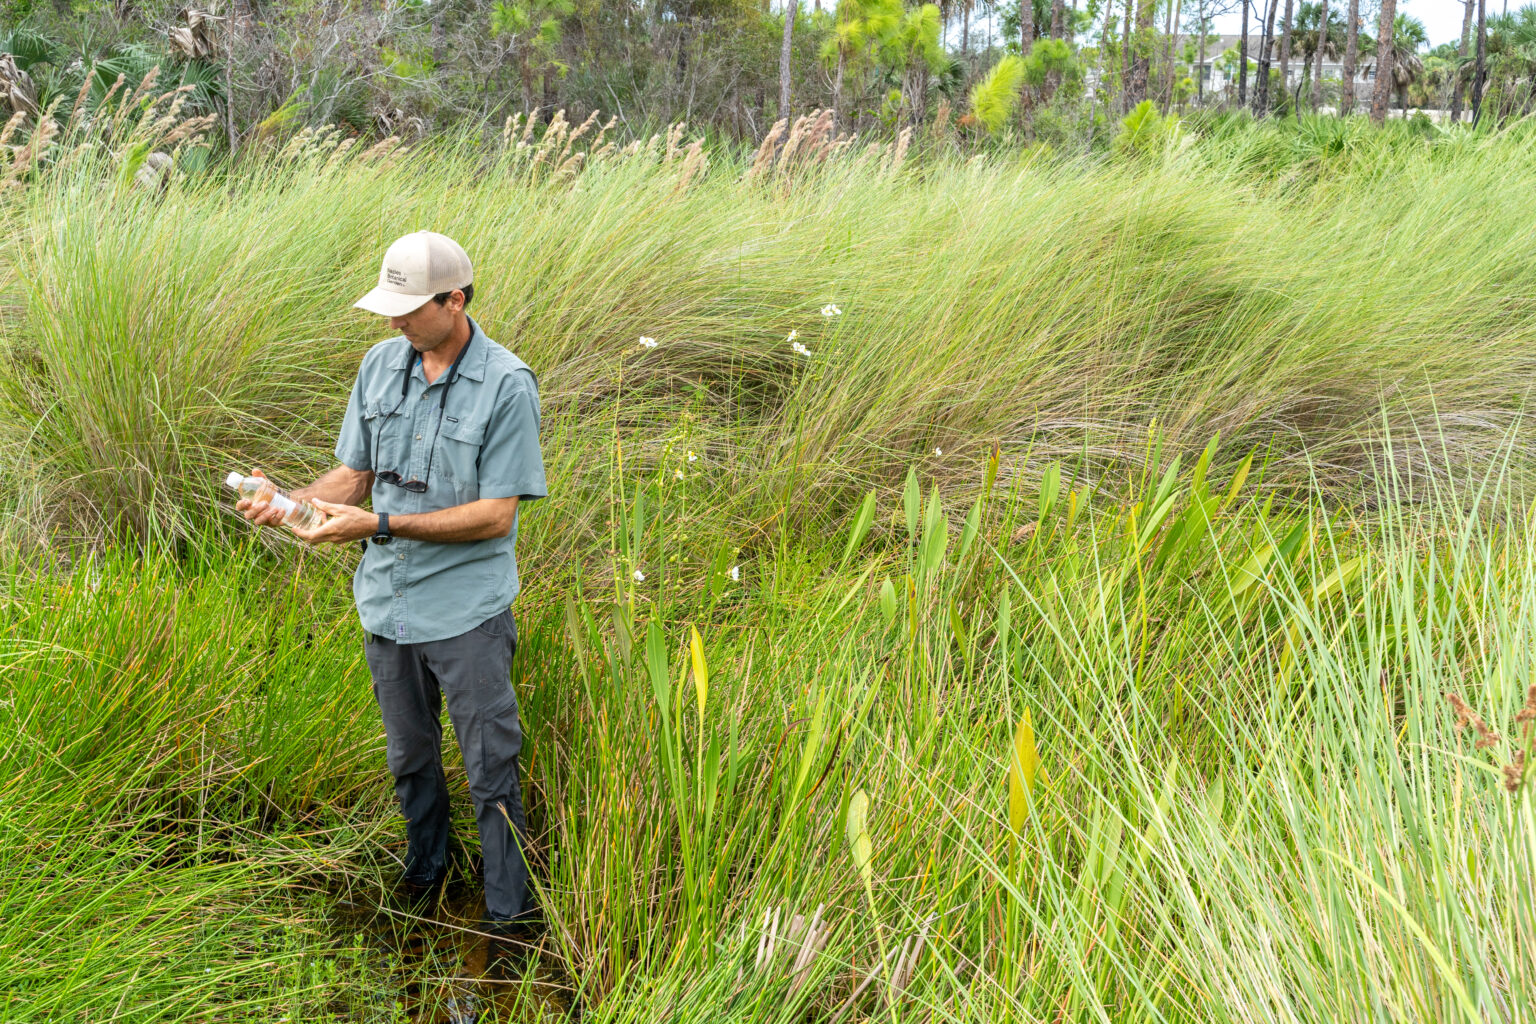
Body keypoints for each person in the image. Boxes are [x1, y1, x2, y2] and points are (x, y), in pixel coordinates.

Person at [236, 231, 548, 934]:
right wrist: (289, 502)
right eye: (390, 307)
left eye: (409, 309)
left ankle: (509, 918)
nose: (394, 321)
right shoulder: (381, 365)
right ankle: (424, 879)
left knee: (491, 768)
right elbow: (352, 476)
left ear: (455, 299)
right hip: (389, 607)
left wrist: (378, 525)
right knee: (410, 758)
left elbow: (497, 516)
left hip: (466, 613)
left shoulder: (506, 384)